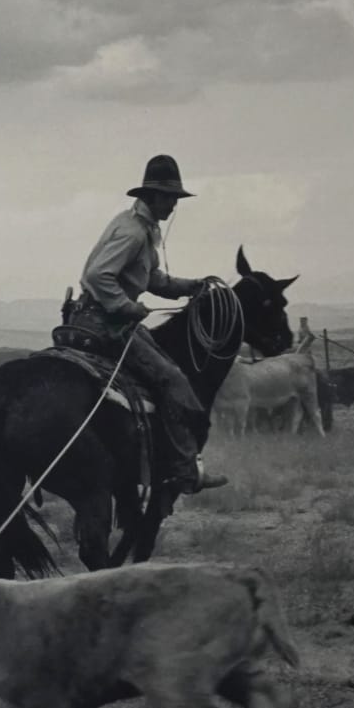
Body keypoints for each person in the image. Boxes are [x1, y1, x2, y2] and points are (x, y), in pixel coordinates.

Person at [72, 154, 227, 494]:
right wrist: (126, 307)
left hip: (94, 318)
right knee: (172, 379)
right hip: (106, 325)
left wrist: (191, 286)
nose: (173, 205)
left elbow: (151, 278)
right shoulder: (133, 233)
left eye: (175, 198)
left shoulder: (138, 227)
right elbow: (98, 276)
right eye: (170, 197)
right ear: (152, 196)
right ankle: (185, 469)